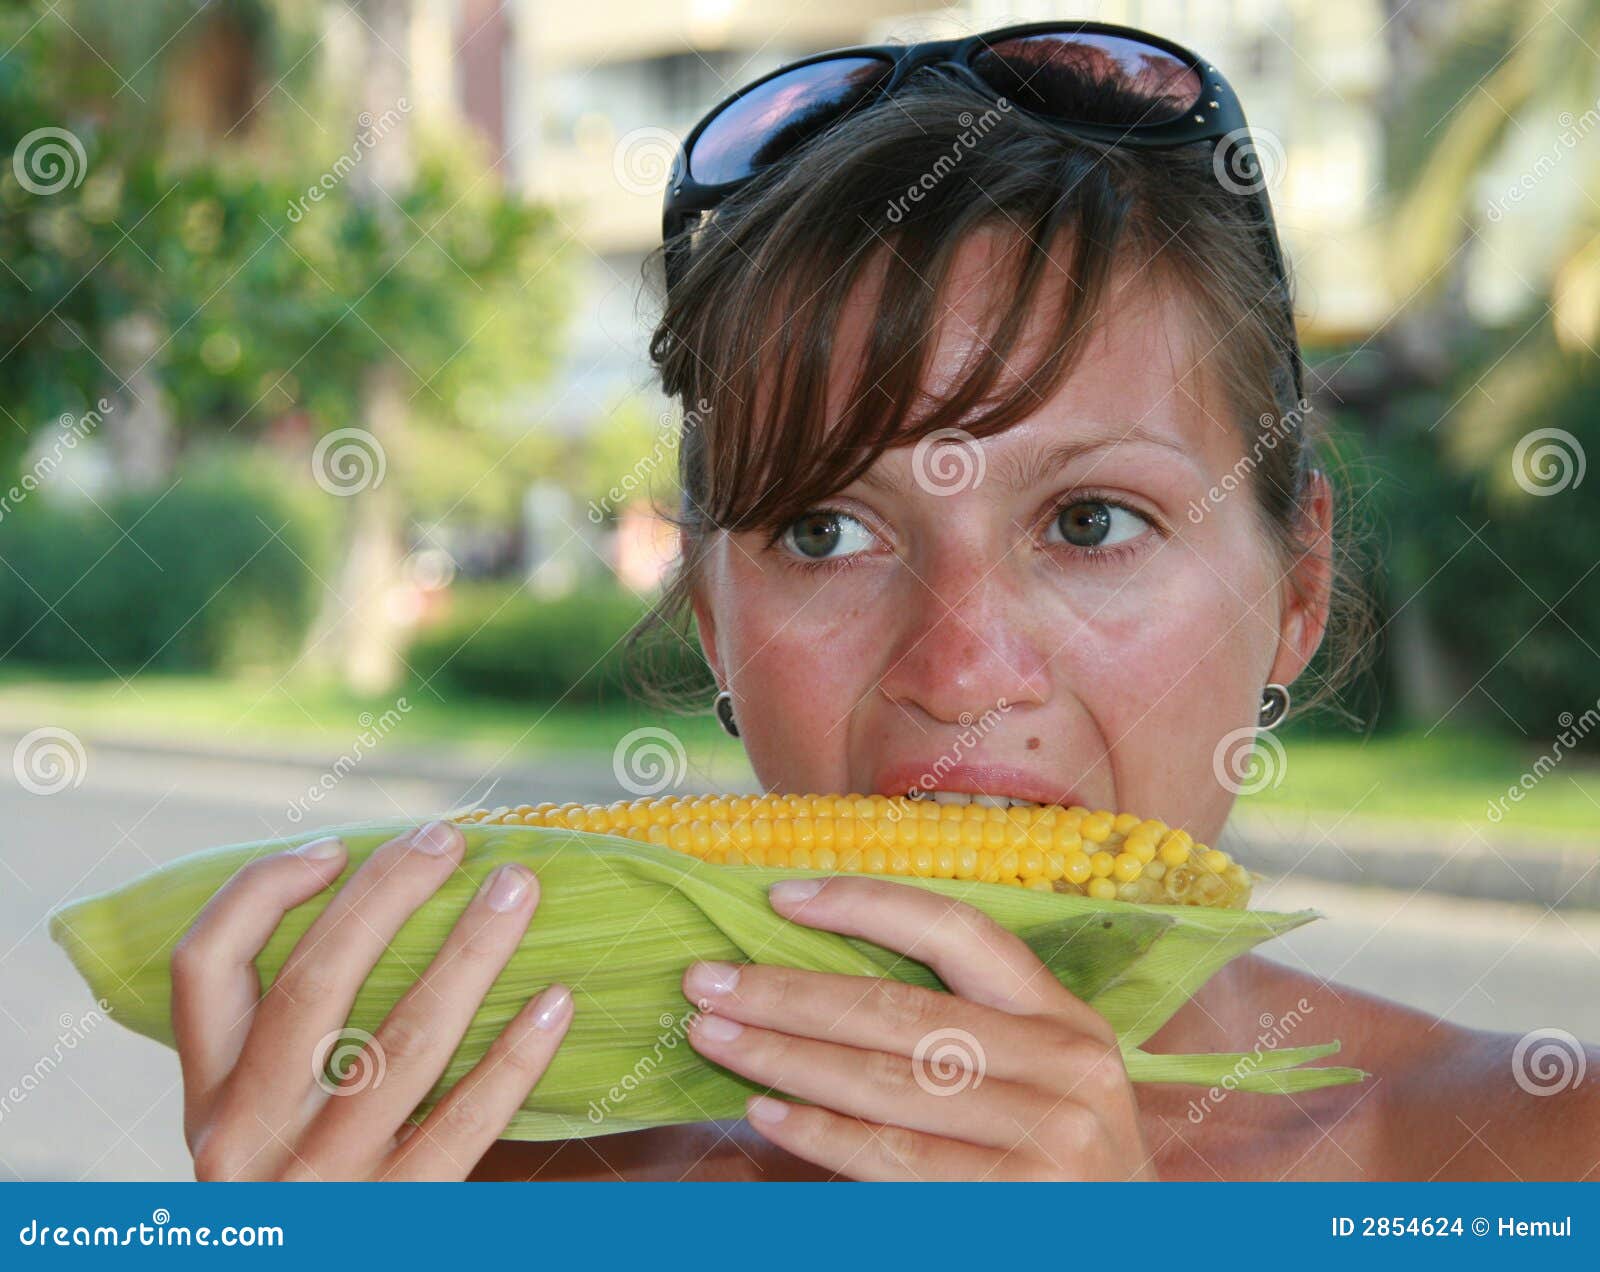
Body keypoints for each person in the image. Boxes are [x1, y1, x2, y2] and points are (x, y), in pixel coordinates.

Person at [169, 22, 1600, 1182]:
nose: (962, 667)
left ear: (1296, 585)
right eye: (826, 527)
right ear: (711, 615)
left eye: (1091, 521)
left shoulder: (1533, 1164)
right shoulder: (497, 1169)